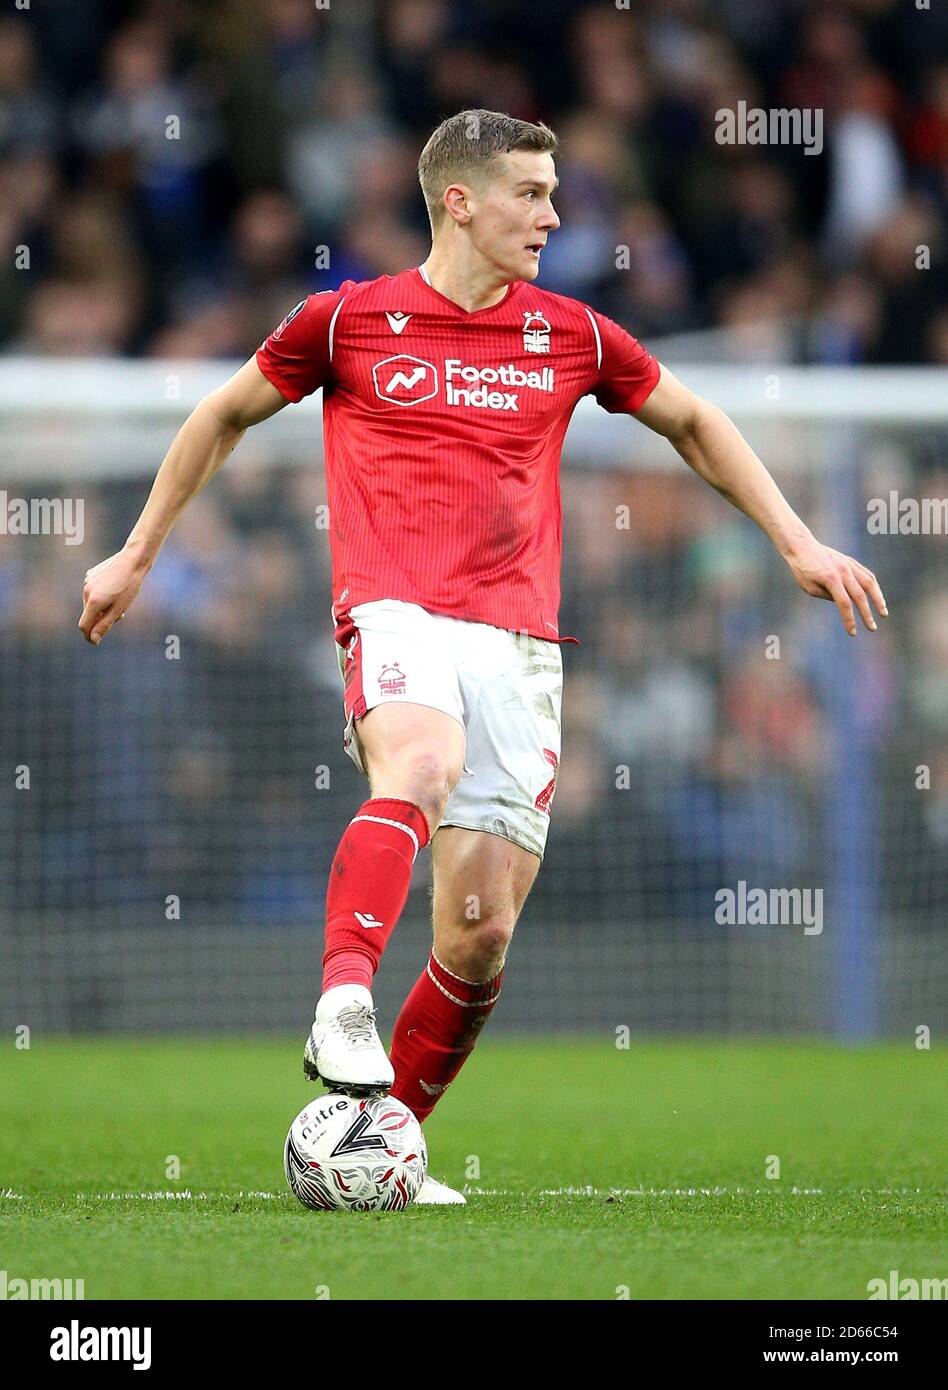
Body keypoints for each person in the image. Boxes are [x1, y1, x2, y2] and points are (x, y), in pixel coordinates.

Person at [78, 109, 888, 1204]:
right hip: (396, 609)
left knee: (480, 931)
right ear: (460, 200)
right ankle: (343, 997)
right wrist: (135, 554)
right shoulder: (348, 322)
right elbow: (221, 415)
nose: (553, 215)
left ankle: (387, 1144)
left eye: (554, 194)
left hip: (522, 642)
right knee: (417, 761)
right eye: (532, 194)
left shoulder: (574, 334)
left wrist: (796, 537)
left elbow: (693, 420)